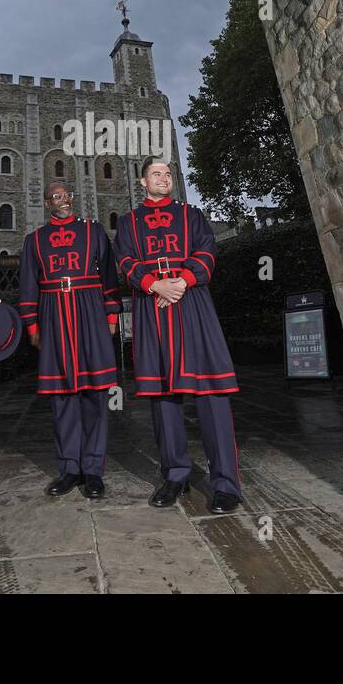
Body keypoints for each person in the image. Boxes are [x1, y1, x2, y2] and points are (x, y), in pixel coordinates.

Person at [113, 158, 242, 513]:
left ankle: (226, 483)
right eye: (156, 173)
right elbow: (124, 261)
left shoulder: (192, 214)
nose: (164, 178)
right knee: (163, 397)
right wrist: (155, 284)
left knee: (212, 391)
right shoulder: (128, 222)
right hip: (152, 306)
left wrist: (182, 281)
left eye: (168, 173)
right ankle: (175, 475)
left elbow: (207, 251)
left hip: (192, 303)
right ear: (143, 182)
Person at [18, 181, 122, 498]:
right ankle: (69, 469)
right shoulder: (34, 240)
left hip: (90, 311)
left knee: (95, 395)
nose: (61, 201)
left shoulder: (94, 231)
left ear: (72, 199)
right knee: (62, 397)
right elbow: (28, 287)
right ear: (47, 203)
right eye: (55, 197)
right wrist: (32, 325)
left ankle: (92, 470)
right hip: (53, 315)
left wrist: (112, 315)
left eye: (65, 196)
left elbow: (108, 276)